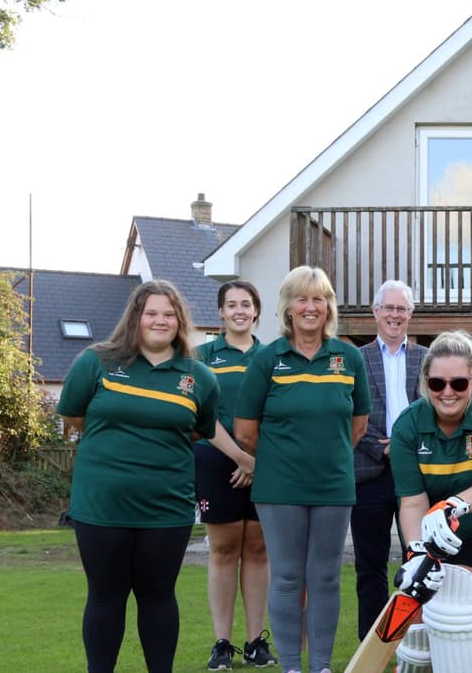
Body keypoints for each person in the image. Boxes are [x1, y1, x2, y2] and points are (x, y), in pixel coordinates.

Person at [57, 280, 219, 673]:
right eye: (152, 313)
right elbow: (74, 416)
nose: (160, 321)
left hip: (166, 510)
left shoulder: (199, 377)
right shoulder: (96, 362)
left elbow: (199, 430)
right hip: (101, 508)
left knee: (159, 597)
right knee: (105, 597)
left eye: (169, 314)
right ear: (136, 317)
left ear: (180, 321)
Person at [234, 266, 371, 673]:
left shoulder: (348, 358)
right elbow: (245, 431)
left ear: (328, 307)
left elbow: (358, 425)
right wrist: (284, 458)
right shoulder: (267, 359)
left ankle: (322, 666)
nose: (311, 307)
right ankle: (292, 666)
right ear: (288, 308)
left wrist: (322, 455)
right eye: (302, 298)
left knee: (326, 578)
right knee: (288, 579)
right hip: (279, 490)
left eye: (319, 299)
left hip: (333, 486)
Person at [388, 330, 472, 671]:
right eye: (437, 384)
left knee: (455, 603)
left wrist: (451, 505)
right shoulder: (408, 424)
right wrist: (417, 552)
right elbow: (412, 501)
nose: (447, 393)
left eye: (458, 384)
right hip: (432, 533)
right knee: (418, 630)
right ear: (425, 382)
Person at [194, 280, 278, 669]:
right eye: (232, 304)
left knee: (259, 551)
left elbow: (277, 415)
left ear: (257, 311)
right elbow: (200, 417)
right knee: (225, 551)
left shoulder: (273, 355)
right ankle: (222, 643)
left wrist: (254, 458)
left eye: (246, 304)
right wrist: (239, 457)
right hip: (215, 461)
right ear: (221, 312)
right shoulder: (202, 356)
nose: (239, 310)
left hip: (264, 464)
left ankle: (255, 642)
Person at [351, 280, 427, 642]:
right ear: (375, 312)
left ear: (411, 314)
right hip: (369, 473)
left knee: (421, 562)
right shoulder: (357, 358)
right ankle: (372, 643)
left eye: (402, 309)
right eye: (389, 308)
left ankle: (418, 641)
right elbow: (349, 413)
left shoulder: (426, 359)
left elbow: (435, 412)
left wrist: (404, 446)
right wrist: (380, 447)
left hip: (416, 474)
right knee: (370, 567)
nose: (395, 315)